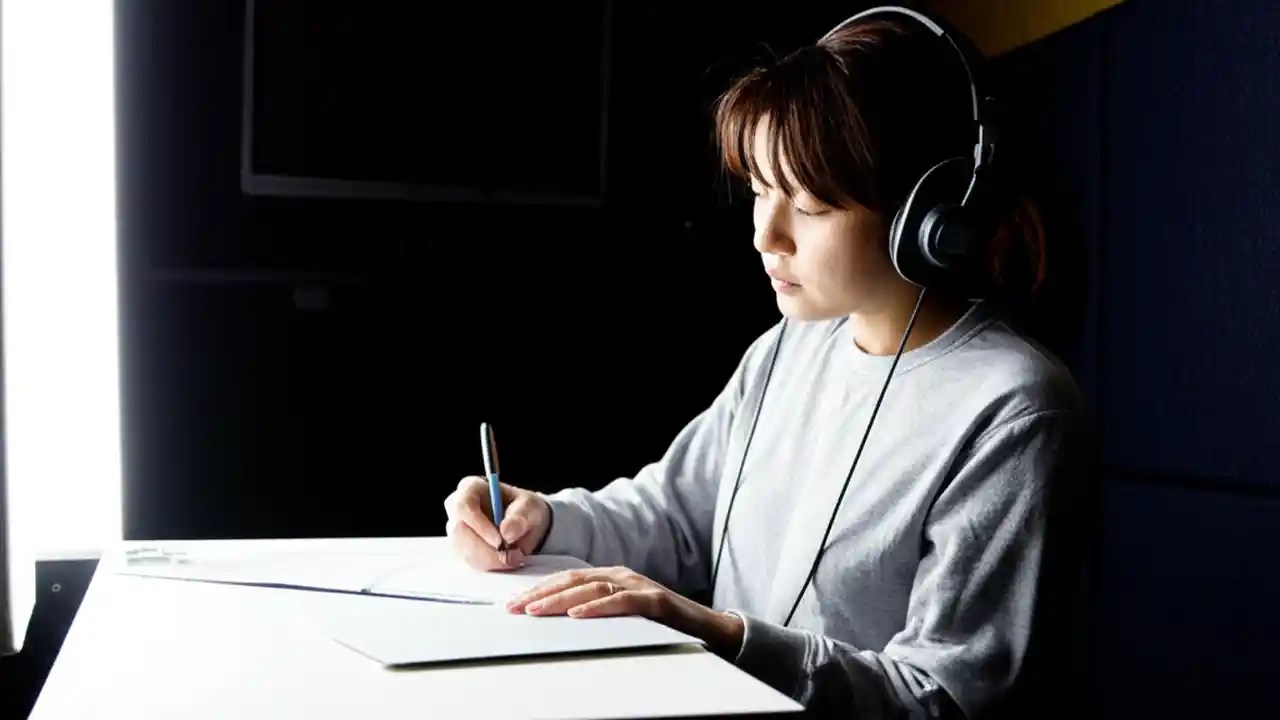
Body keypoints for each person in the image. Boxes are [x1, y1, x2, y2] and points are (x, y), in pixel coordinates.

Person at [444, 7, 1094, 719]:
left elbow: (942, 696)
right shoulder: (789, 348)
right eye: (759, 189)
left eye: (809, 206)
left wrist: (724, 636)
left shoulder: (1014, 408)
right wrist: (545, 520)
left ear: (927, 214)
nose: (764, 234)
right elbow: (677, 514)